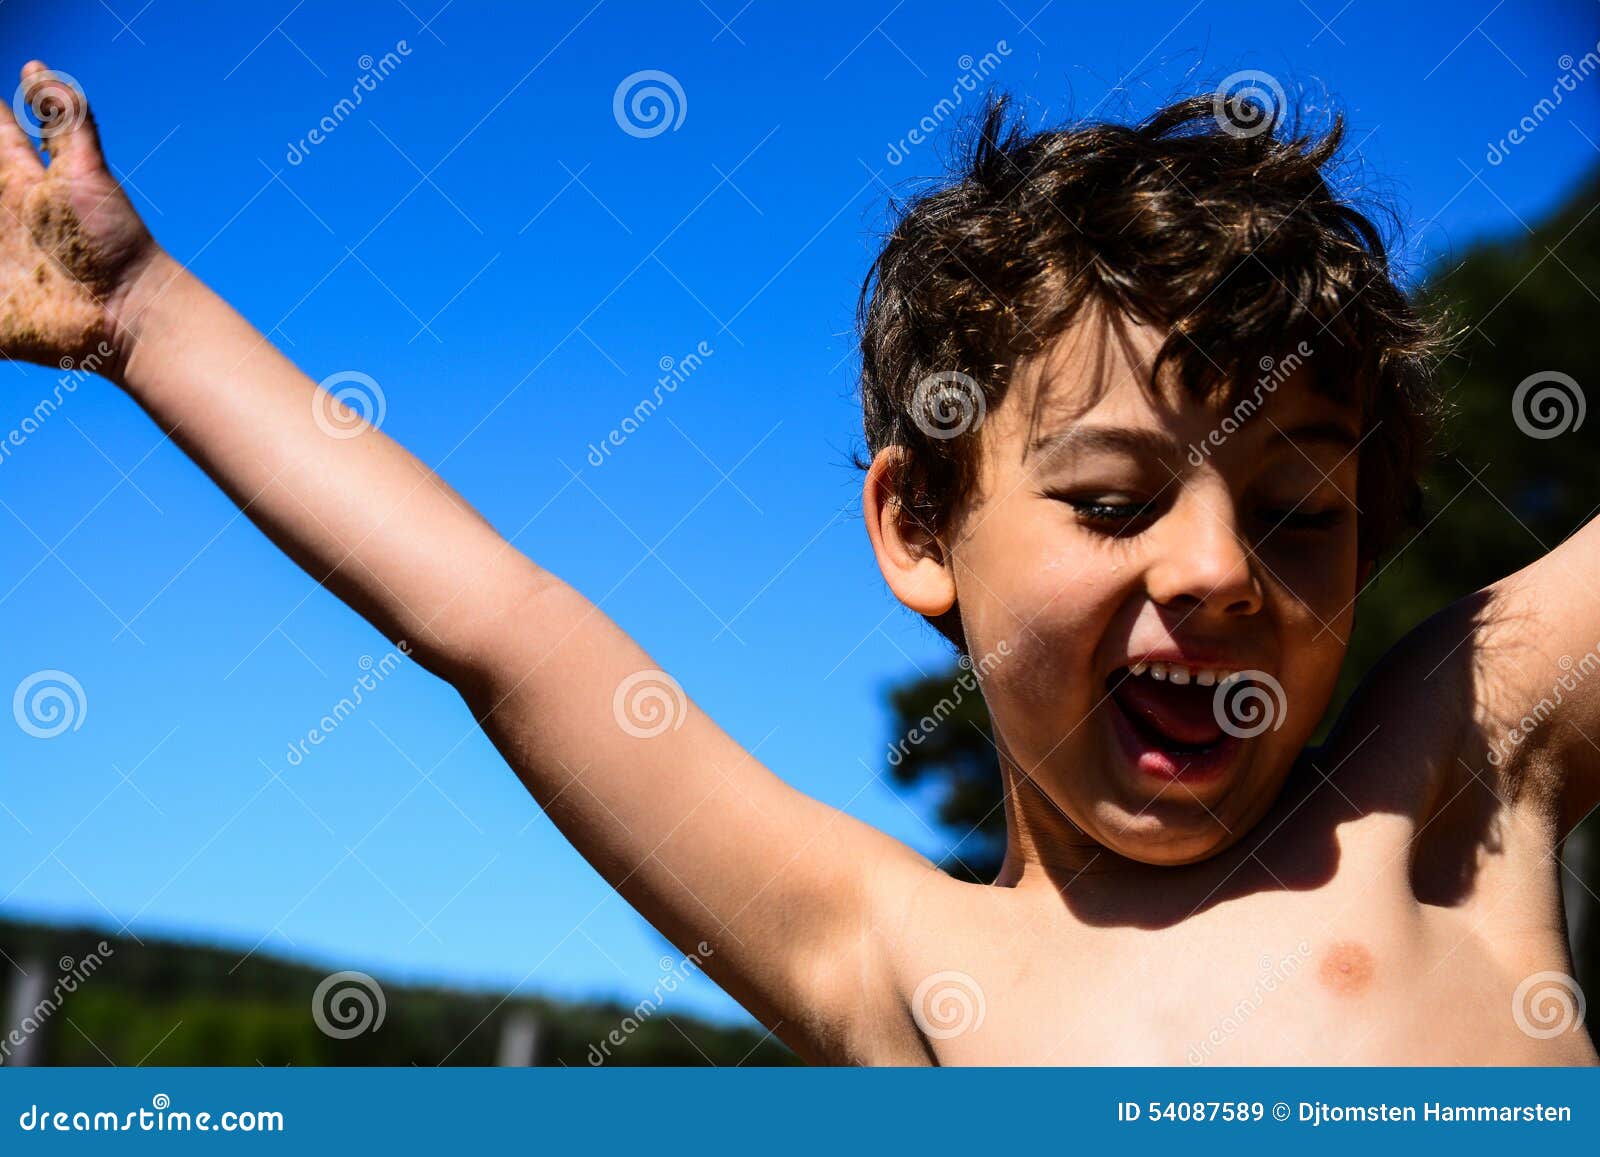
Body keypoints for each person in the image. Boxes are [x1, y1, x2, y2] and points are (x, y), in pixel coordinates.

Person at [3, 60, 1594, 1064]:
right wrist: (144, 317)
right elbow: (495, 621)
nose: (1217, 568)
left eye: (1297, 511)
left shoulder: (1450, 769)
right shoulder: (899, 959)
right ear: (920, 531)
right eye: (1114, 502)